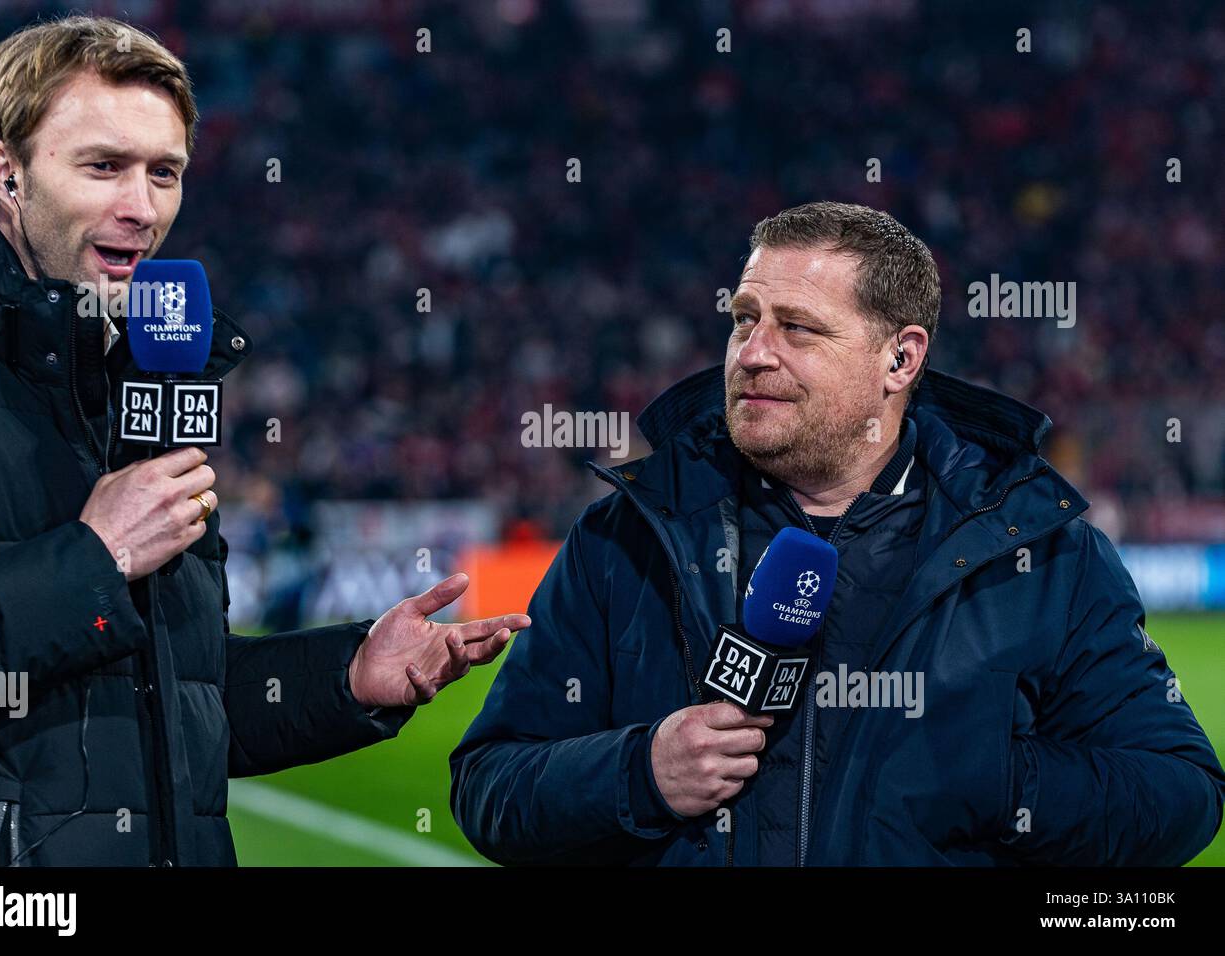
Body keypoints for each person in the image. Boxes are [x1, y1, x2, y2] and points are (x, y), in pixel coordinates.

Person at [450, 201, 1225, 865]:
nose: (753, 353)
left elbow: (1181, 796)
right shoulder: (626, 541)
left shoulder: (1042, 555)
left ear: (900, 358)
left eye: (798, 329)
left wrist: (994, 775)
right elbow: (487, 787)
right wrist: (638, 772)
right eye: (744, 320)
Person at [0, 15, 528, 867]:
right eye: (103, 166)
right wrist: (93, 559)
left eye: (163, 173)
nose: (141, 208)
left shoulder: (141, 374)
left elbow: (180, 698)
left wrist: (348, 674)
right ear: (5, 171)